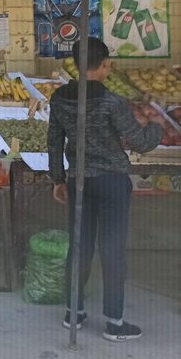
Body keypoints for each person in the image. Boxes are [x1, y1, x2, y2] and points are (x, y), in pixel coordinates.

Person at [48, 36, 162, 342]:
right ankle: (114, 322)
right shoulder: (113, 101)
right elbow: (140, 143)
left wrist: (58, 179)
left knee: (79, 247)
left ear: (75, 63)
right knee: (112, 249)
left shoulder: (59, 98)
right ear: (105, 65)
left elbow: (54, 141)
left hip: (78, 181)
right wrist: (155, 125)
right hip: (111, 182)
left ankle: (73, 312)